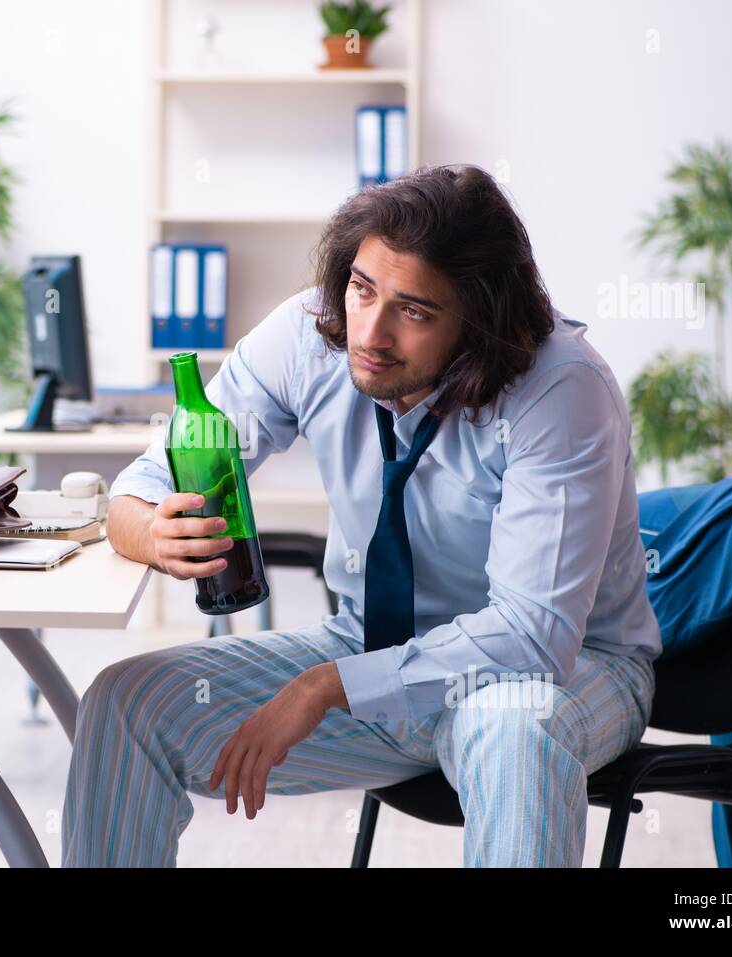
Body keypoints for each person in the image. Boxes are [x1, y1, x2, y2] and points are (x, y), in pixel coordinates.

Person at [63, 164, 661, 867]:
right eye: (362, 289)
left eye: (414, 310)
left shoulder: (561, 387)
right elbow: (142, 482)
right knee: (125, 703)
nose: (369, 333)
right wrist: (149, 529)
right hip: (372, 646)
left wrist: (328, 686)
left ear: (478, 322)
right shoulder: (313, 333)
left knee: (512, 725)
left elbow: (533, 636)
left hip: (559, 672)